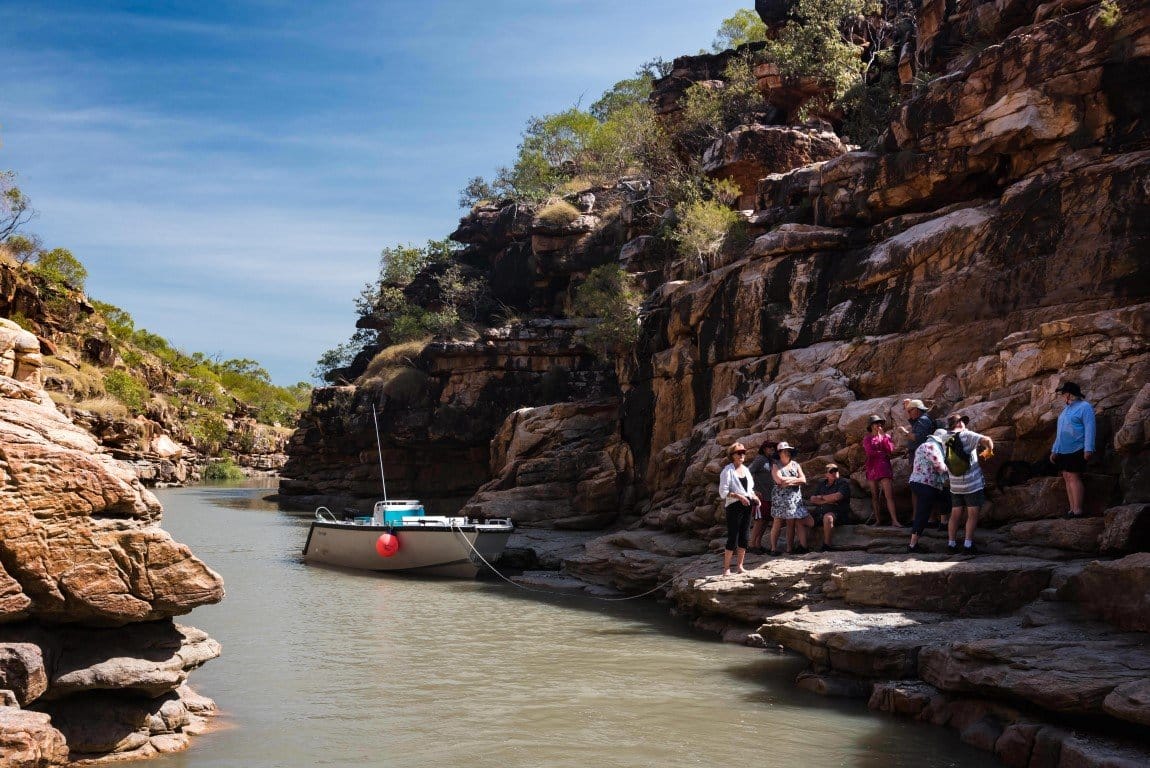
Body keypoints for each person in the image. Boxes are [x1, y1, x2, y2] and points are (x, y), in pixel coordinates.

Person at [945, 413, 994, 555]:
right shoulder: (967, 435)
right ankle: (968, 544)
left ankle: (951, 544)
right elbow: (987, 440)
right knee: (972, 514)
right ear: (960, 424)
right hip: (972, 483)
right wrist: (989, 451)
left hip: (955, 484)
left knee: (955, 514)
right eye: (962, 422)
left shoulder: (944, 438)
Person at [1051, 381, 1096, 518]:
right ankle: (1071, 509)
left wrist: (1088, 449)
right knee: (1066, 476)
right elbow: (1060, 432)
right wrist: (1054, 450)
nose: (1063, 396)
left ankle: (1078, 510)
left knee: (1073, 476)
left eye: (1064, 394)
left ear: (1070, 394)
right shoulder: (1065, 411)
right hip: (1063, 450)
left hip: (1078, 448)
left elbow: (1090, 428)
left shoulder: (1085, 407)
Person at [899, 398, 941, 526]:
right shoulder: (921, 420)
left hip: (921, 459)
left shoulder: (923, 420)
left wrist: (904, 432)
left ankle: (927, 518)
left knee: (921, 486)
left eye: (910, 410)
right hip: (918, 456)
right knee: (921, 486)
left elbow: (918, 437)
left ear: (916, 410)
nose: (909, 413)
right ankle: (921, 518)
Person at [907, 429, 950, 553]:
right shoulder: (931, 446)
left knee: (945, 495)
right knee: (923, 513)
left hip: (924, 483)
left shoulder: (925, 445)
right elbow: (940, 467)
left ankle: (943, 523)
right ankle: (912, 545)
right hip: (925, 484)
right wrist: (955, 470)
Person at [718, 442, 756, 575]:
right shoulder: (727, 471)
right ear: (732, 455)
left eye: (743, 452)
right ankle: (726, 568)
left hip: (747, 505)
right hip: (734, 506)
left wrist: (755, 497)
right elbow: (723, 492)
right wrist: (739, 496)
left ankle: (740, 566)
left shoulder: (746, 470)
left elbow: (749, 489)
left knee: (745, 535)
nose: (742, 455)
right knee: (733, 536)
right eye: (739, 452)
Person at [769, 442, 808, 555]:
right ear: (779, 453)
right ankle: (773, 549)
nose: (787, 452)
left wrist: (788, 481)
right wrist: (795, 480)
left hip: (794, 499)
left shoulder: (796, 465)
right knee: (777, 522)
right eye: (784, 450)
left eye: (788, 450)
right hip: (780, 499)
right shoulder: (775, 465)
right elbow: (779, 481)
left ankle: (789, 549)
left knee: (791, 523)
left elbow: (803, 480)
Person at [864, 415, 903, 526]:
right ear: (871, 426)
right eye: (876, 423)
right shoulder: (867, 438)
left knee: (889, 495)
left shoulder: (885, 436)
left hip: (884, 467)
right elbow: (869, 452)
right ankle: (878, 520)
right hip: (872, 467)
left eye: (880, 423)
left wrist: (883, 437)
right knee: (875, 495)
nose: (879, 425)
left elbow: (890, 449)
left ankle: (894, 520)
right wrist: (882, 453)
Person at [806, 464, 852, 551]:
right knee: (799, 519)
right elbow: (812, 499)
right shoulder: (822, 484)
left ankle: (827, 545)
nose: (834, 473)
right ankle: (803, 547)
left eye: (836, 470)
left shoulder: (843, 483)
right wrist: (828, 500)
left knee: (828, 518)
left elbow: (837, 497)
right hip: (819, 513)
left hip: (837, 514)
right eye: (831, 471)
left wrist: (821, 498)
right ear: (826, 474)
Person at [747, 441, 778, 553]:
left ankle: (758, 544)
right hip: (761, 495)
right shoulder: (760, 459)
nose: (772, 449)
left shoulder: (771, 461)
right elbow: (748, 472)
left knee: (765, 520)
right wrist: (753, 490)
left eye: (773, 448)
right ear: (764, 449)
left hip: (770, 496)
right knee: (759, 520)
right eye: (769, 447)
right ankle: (751, 545)